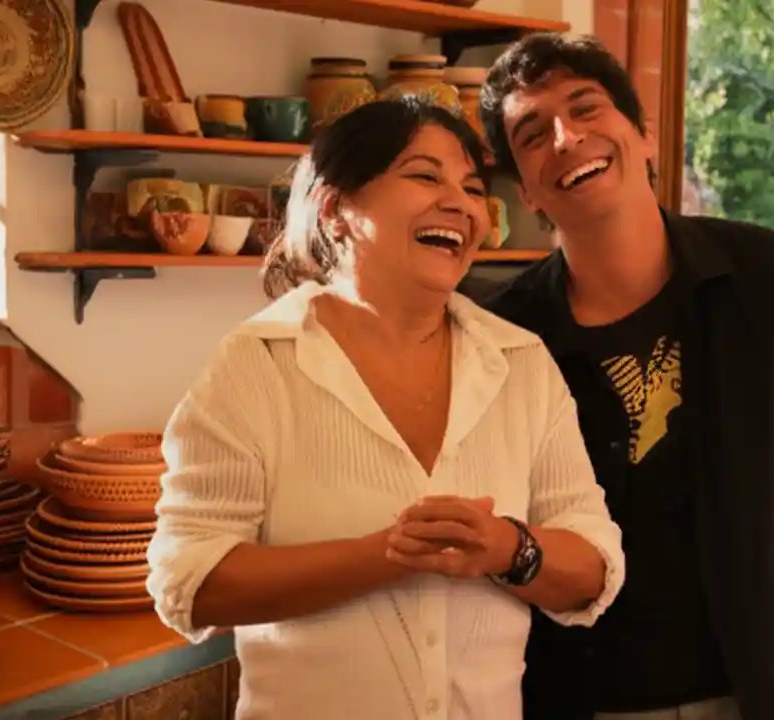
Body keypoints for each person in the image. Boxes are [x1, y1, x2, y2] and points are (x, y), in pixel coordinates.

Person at [476, 34, 774, 720]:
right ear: (527, 190)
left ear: (645, 136)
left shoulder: (768, 276)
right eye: (532, 134)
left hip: (755, 671)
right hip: (585, 683)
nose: (566, 138)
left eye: (586, 108)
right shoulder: (506, 333)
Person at [146, 98, 625, 720]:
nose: (461, 204)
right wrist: (390, 553)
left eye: (474, 189)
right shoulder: (257, 364)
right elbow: (190, 582)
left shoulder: (520, 363)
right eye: (425, 176)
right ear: (336, 209)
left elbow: (592, 567)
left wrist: (512, 549)